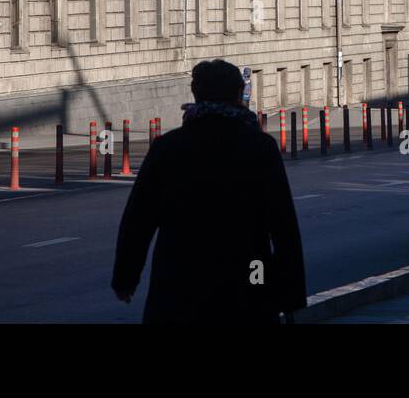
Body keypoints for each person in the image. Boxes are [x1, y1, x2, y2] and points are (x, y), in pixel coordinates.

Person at [111, 59, 306, 323]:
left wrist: (125, 278)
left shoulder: (169, 147)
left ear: (195, 93)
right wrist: (291, 296)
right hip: (249, 273)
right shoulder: (260, 146)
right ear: (239, 95)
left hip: (180, 276)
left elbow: (139, 219)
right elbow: (283, 225)